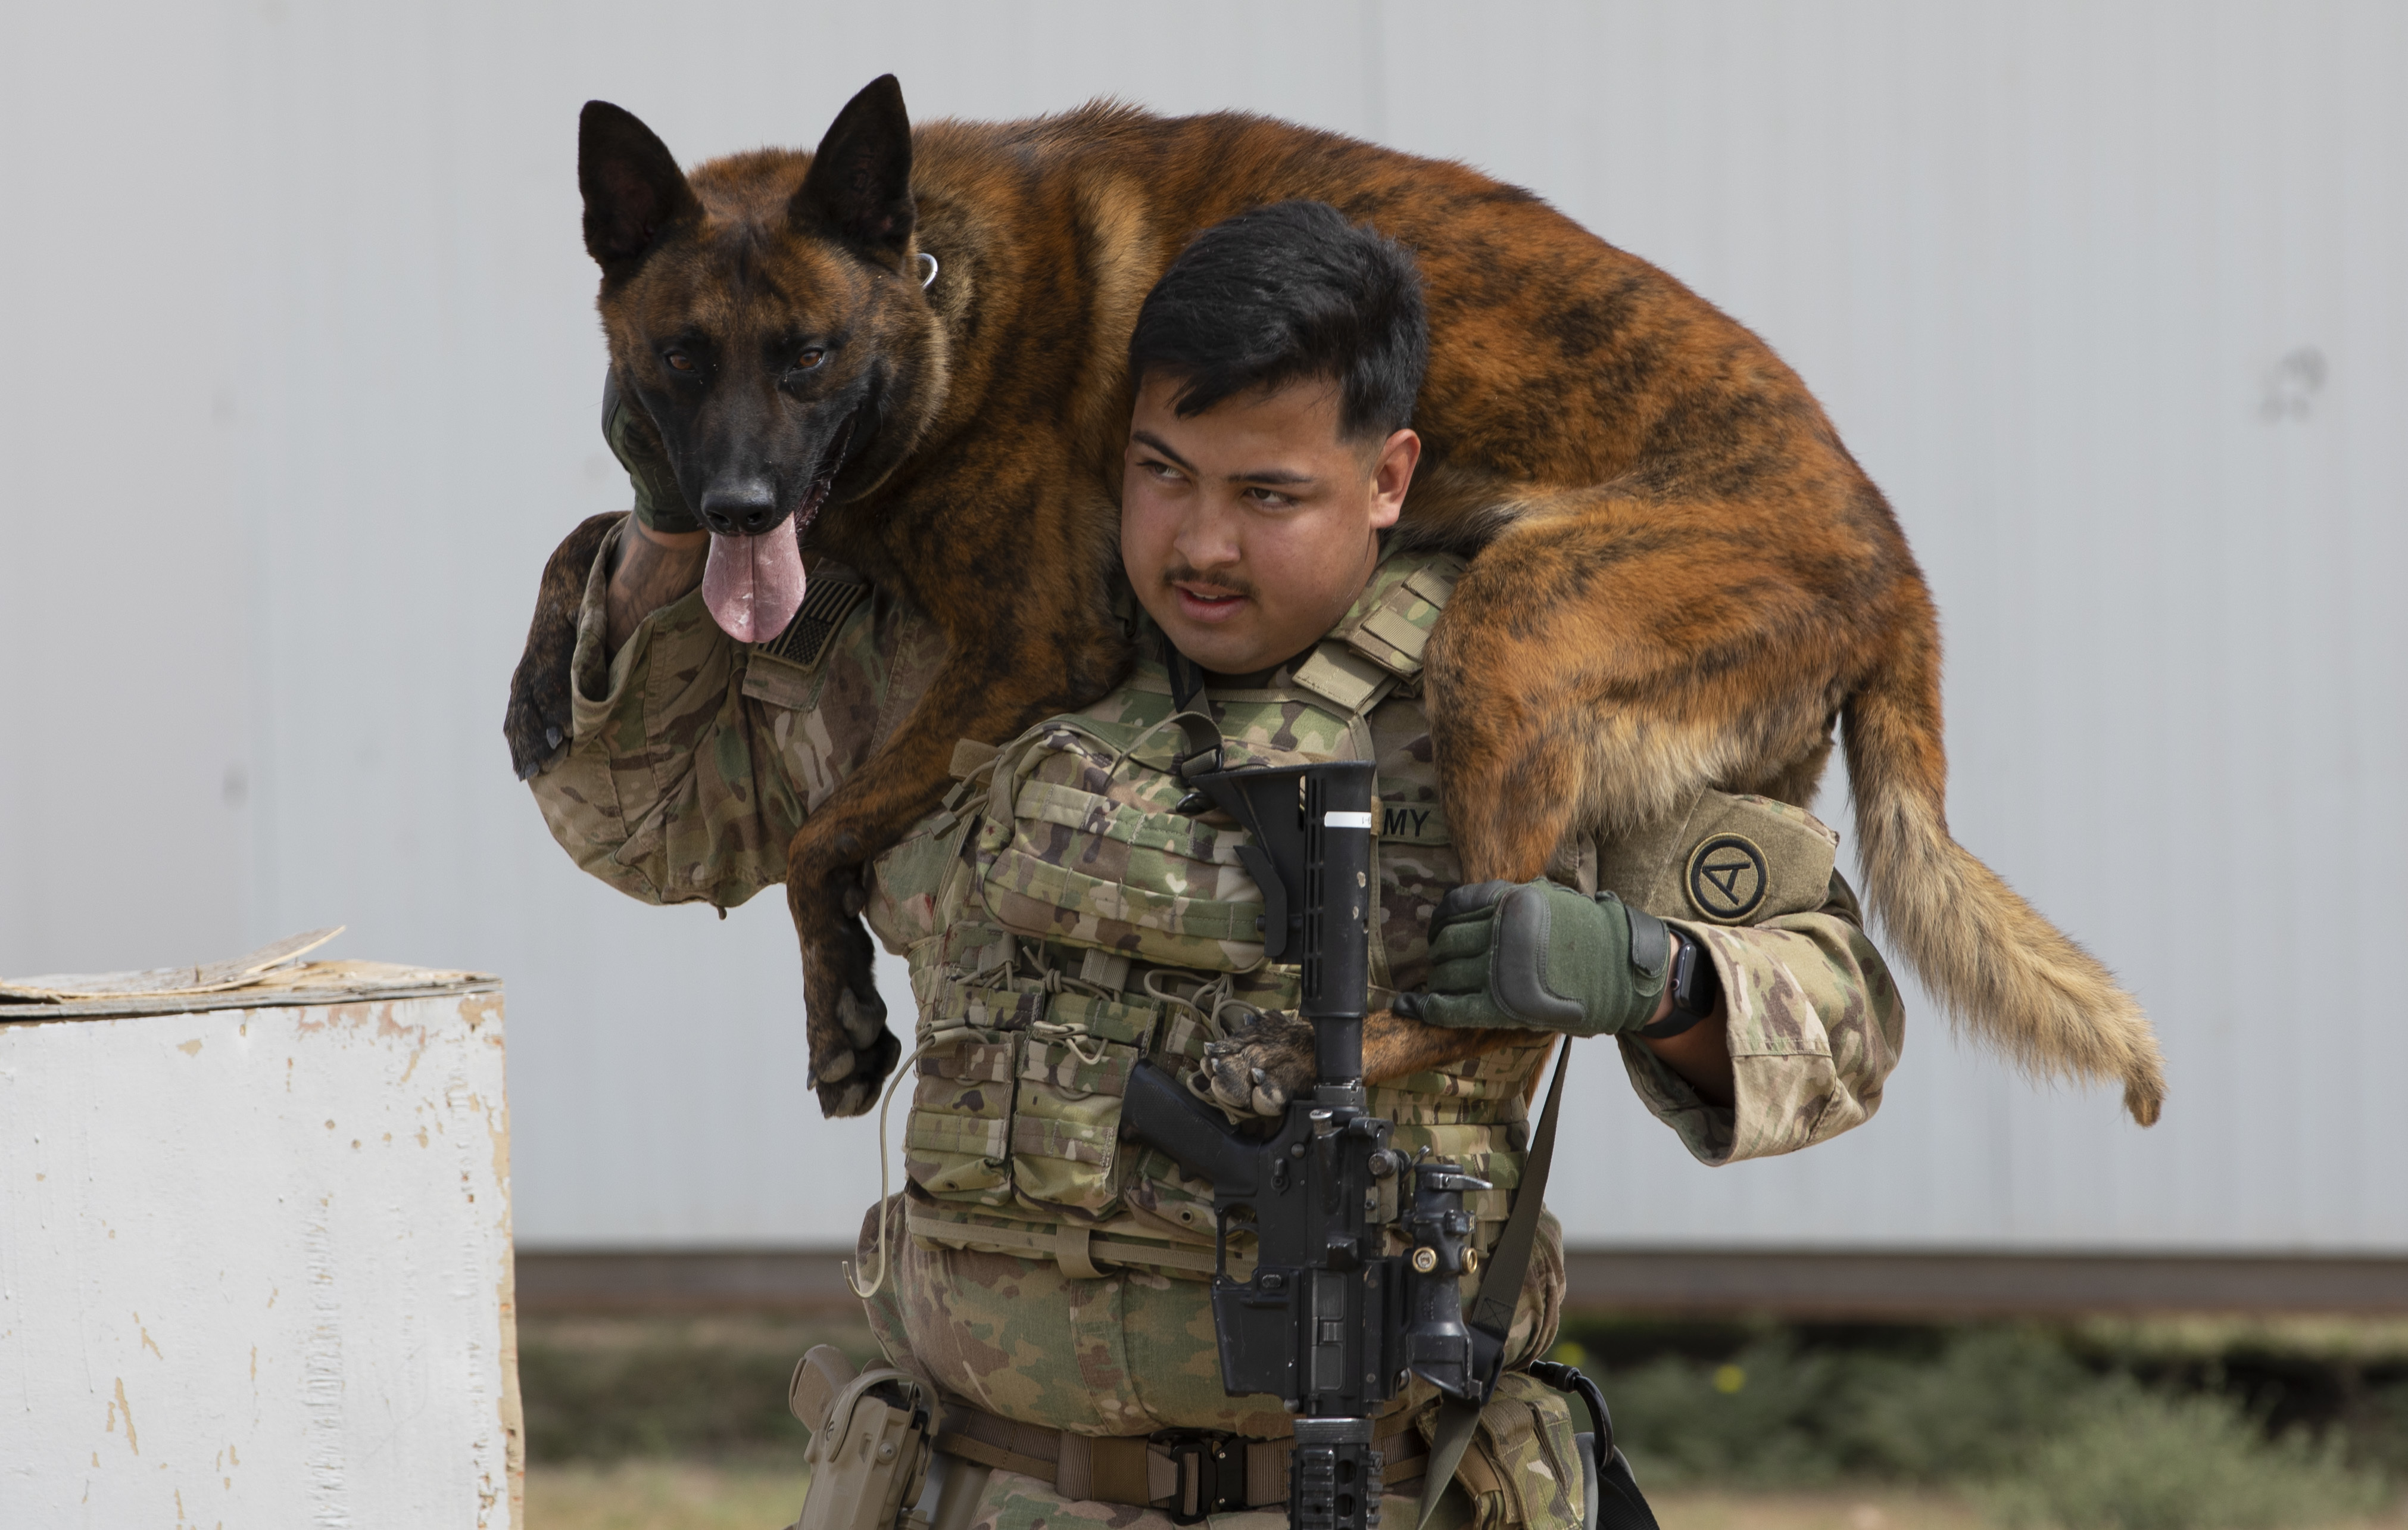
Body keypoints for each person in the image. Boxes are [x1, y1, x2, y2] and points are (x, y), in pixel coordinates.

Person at [530, 201, 1903, 1529]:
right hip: (981, 1487)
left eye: (1268, 495)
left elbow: (1839, 1022)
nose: (1199, 542)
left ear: (1391, 477)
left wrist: (1655, 976)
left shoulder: (1530, 690)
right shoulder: (972, 654)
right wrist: (667, 523)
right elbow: (644, 826)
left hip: (1379, 1485)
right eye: (1162, 473)